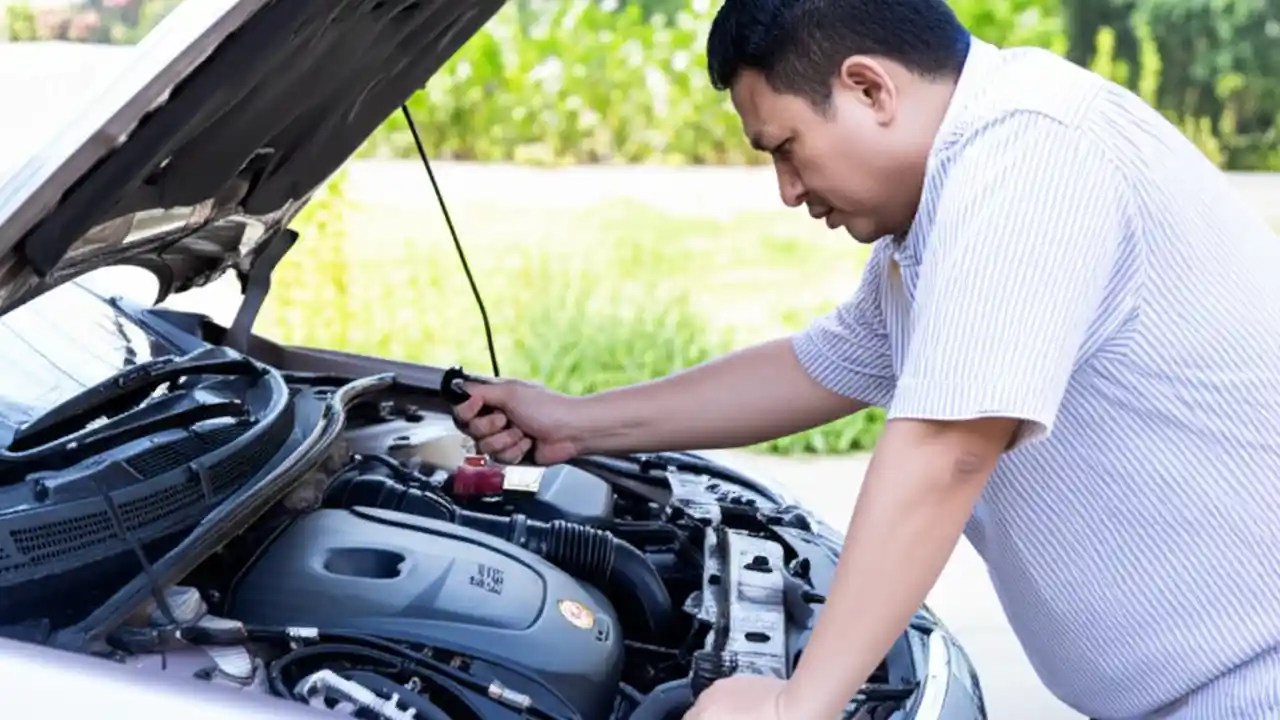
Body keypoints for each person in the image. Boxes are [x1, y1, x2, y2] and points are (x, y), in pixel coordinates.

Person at [451, 0, 1280, 716]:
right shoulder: (947, 200)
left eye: (784, 145)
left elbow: (948, 448)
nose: (786, 188)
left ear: (870, 88)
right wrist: (576, 425)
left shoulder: (1033, 156)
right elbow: (826, 364)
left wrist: (795, 705)